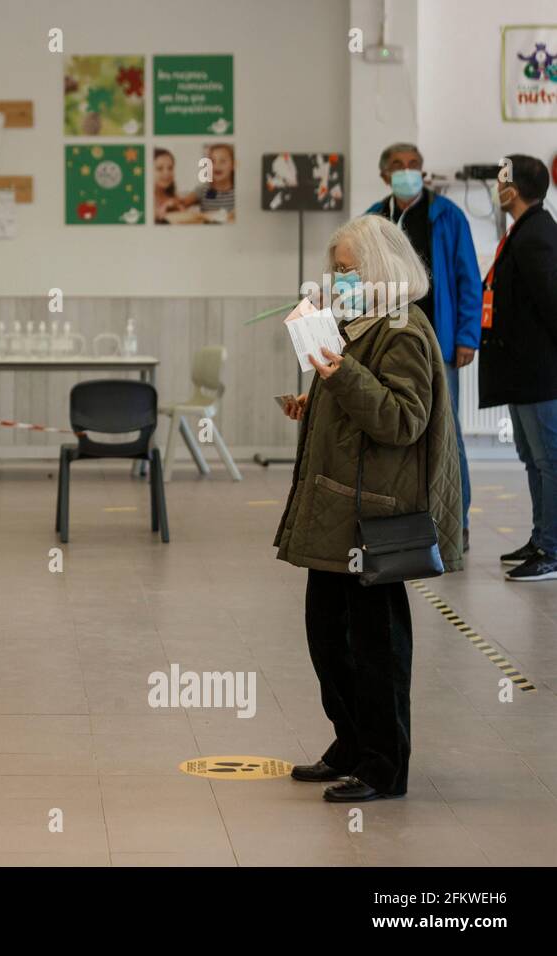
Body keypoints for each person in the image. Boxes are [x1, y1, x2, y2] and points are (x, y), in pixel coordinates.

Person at [276, 215, 462, 803]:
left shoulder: (403, 330)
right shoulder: (361, 325)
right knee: (328, 637)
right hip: (338, 509)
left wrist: (342, 374)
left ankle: (384, 763)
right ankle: (351, 741)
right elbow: (362, 402)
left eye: (347, 269)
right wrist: (318, 396)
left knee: (374, 645)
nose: (337, 279)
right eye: (334, 269)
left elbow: (402, 420)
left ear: (380, 270)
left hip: (374, 517)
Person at [366, 142, 482, 550]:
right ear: (384, 175)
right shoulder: (374, 220)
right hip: (386, 342)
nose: (407, 170)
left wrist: (469, 336)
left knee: (447, 433)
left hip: (441, 343)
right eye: (398, 165)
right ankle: (402, 522)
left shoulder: (448, 216)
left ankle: (457, 521)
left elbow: (470, 279)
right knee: (395, 433)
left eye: (414, 164)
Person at [479, 155, 557, 582]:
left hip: (540, 373)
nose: (496, 186)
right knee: (533, 459)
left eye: (501, 180)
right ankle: (541, 536)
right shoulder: (523, 233)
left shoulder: (537, 237)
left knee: (550, 461)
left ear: (516, 188)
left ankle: (553, 550)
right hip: (522, 373)